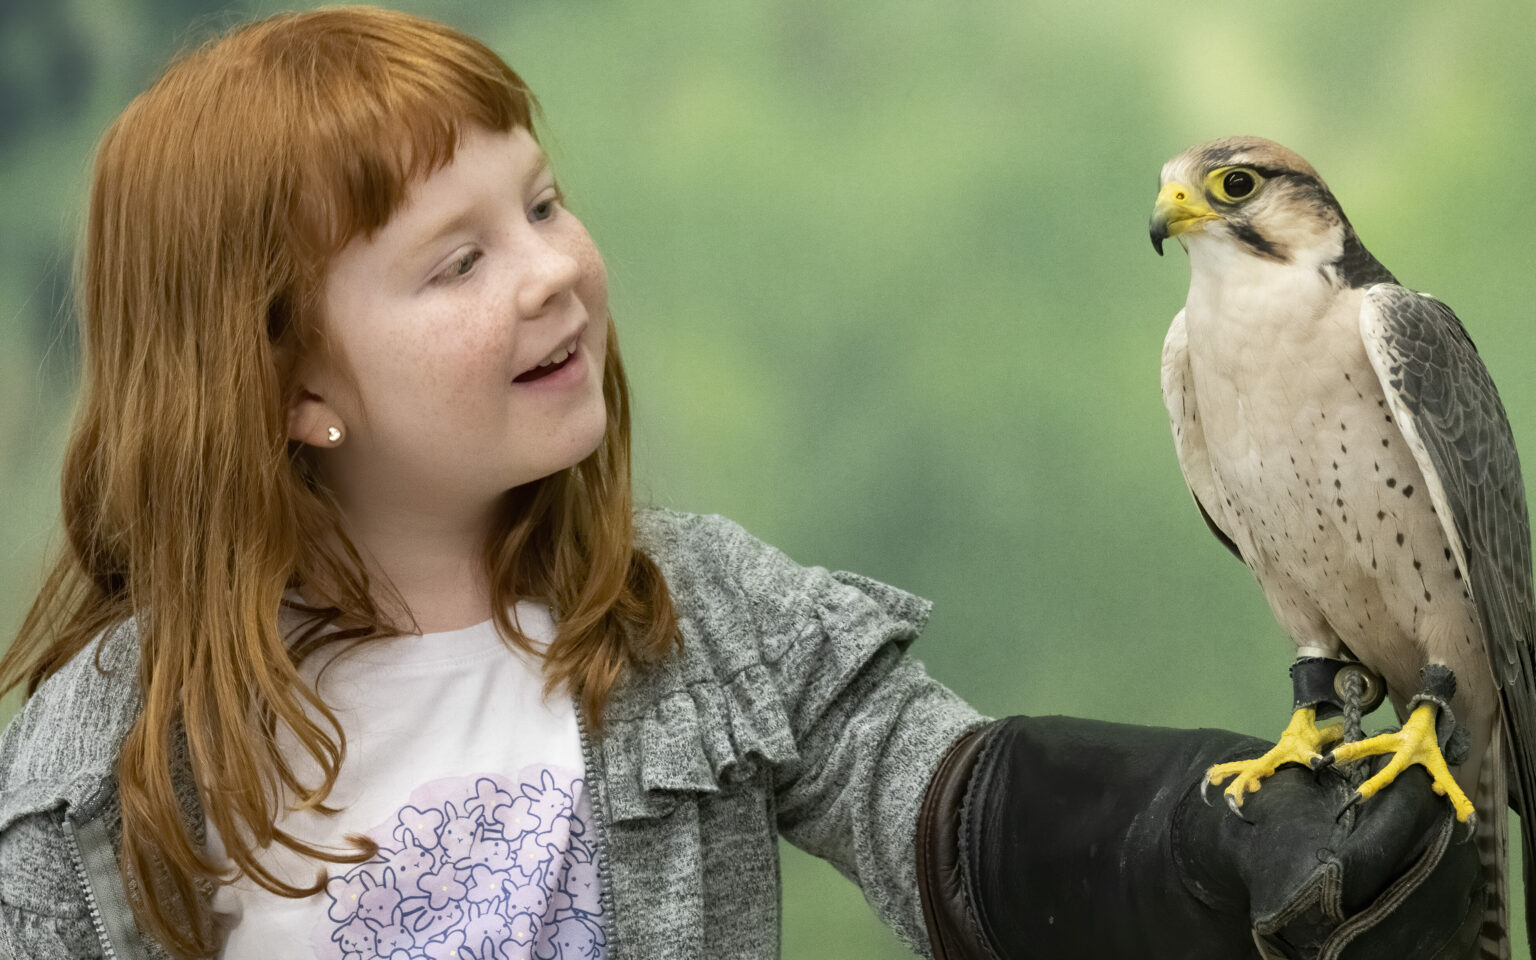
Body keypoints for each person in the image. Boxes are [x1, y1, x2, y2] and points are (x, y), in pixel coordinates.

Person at [0, 7, 1484, 959]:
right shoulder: (94, 768)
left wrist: (1180, 835)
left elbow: (937, 801)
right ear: (290, 388)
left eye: (541, 202)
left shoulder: (683, 611)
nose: (552, 273)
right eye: (458, 261)